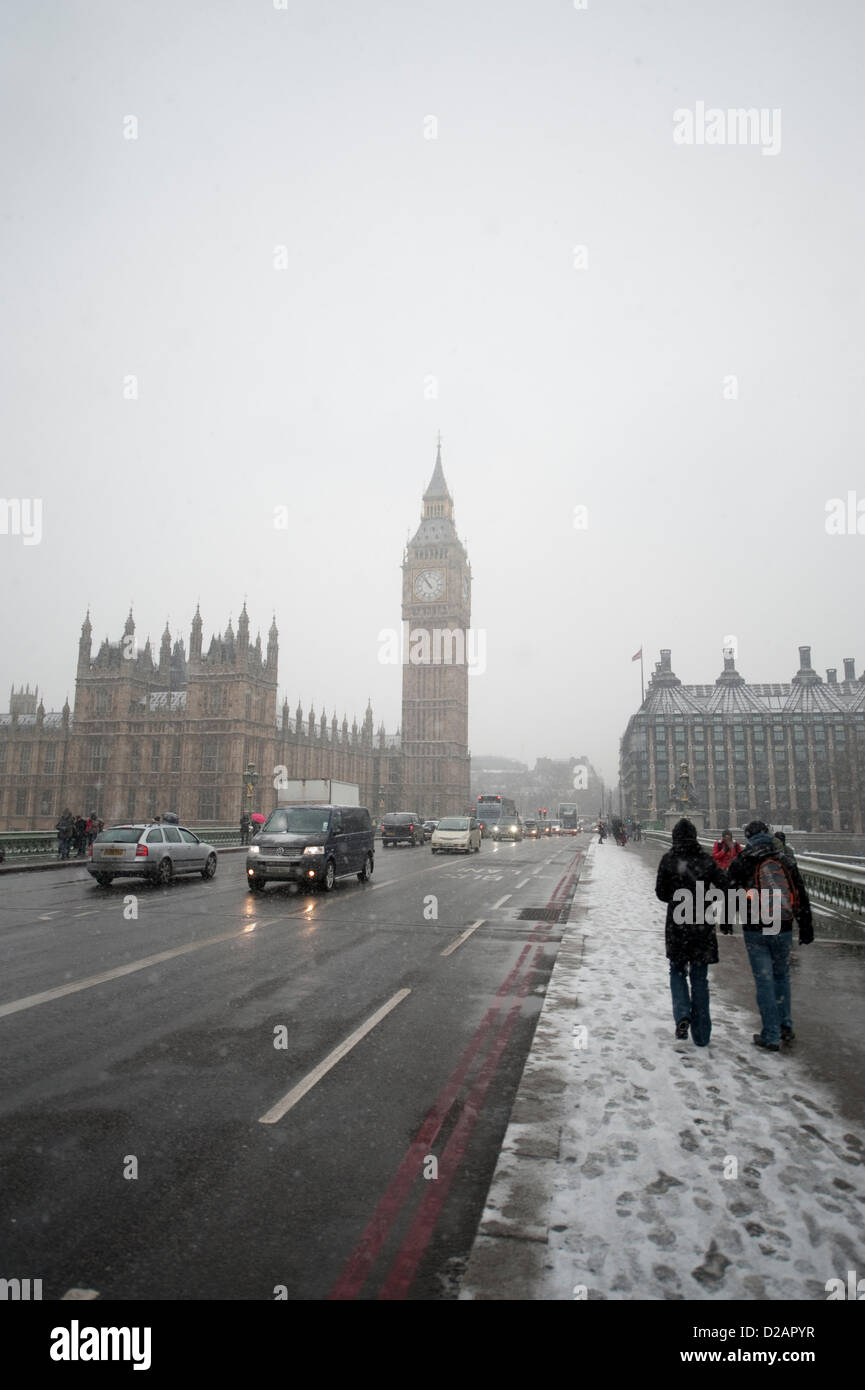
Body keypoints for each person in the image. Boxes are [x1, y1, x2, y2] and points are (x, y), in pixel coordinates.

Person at [727, 819, 813, 1050]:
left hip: (755, 927)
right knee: (782, 976)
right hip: (782, 926)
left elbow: (729, 891)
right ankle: (785, 1025)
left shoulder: (743, 859)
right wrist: (805, 925)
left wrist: (726, 921)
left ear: (748, 837)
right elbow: (800, 892)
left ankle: (771, 1034)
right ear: (768, 834)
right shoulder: (783, 859)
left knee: (764, 980)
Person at [655, 817, 729, 1046]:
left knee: (677, 971)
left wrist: (677, 897)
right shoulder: (706, 860)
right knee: (700, 979)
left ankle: (682, 1014)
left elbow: (661, 893)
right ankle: (702, 1034)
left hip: (678, 925)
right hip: (701, 926)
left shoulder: (669, 859)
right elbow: (725, 886)